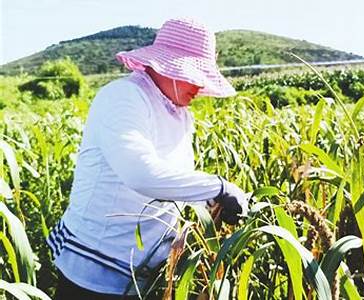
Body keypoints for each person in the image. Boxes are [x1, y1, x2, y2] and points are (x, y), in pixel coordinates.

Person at [47, 18, 249, 299]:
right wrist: (218, 186)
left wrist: (210, 202)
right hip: (97, 267)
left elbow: (171, 180)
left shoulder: (179, 114)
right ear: (167, 65)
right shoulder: (124, 97)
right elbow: (140, 174)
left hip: (147, 271)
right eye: (195, 74)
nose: (200, 86)